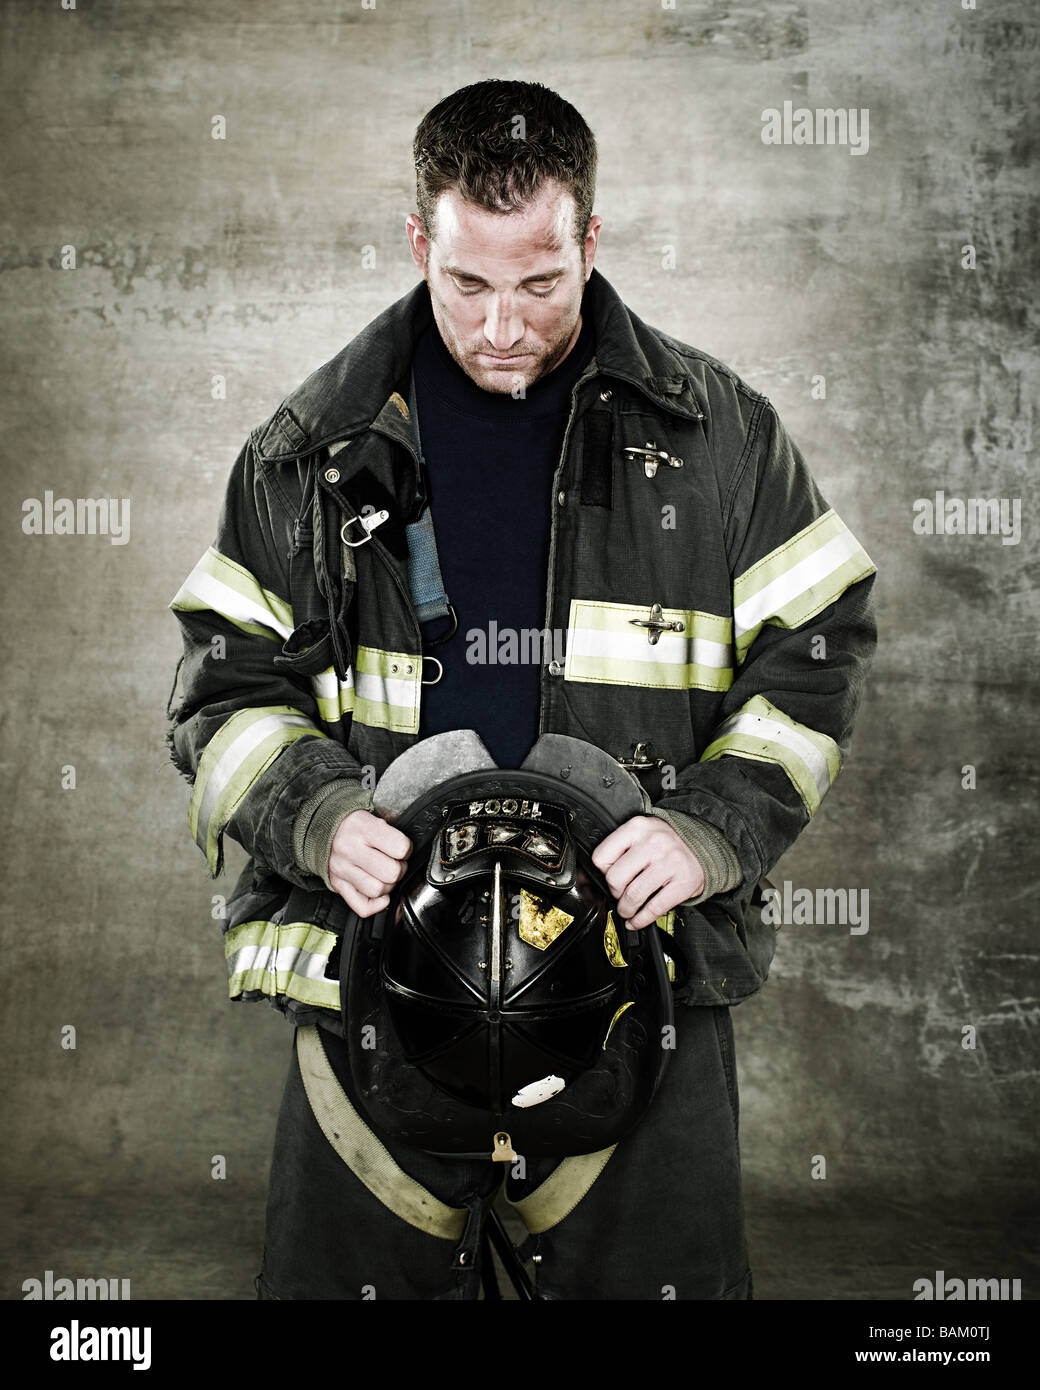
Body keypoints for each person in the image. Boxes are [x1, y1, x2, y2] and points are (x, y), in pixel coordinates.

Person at [167, 78, 877, 1300]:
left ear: (589, 241)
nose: (504, 327)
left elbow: (816, 649)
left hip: (640, 978)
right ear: (418, 243)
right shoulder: (310, 449)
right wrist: (317, 816)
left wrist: (710, 830)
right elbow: (222, 686)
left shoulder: (718, 437)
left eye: (541, 284)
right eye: (468, 285)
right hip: (373, 983)